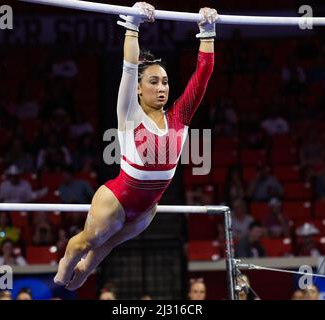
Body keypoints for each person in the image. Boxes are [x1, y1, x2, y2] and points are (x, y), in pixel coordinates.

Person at [54, 2, 216, 291]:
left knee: (106, 247)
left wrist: (207, 32)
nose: (162, 87)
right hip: (115, 200)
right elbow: (130, 67)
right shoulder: (130, 113)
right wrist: (132, 26)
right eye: (154, 82)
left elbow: (202, 78)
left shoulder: (180, 117)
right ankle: (62, 272)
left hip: (146, 209)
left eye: (165, 82)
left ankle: (83, 272)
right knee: (86, 242)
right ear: (139, 88)